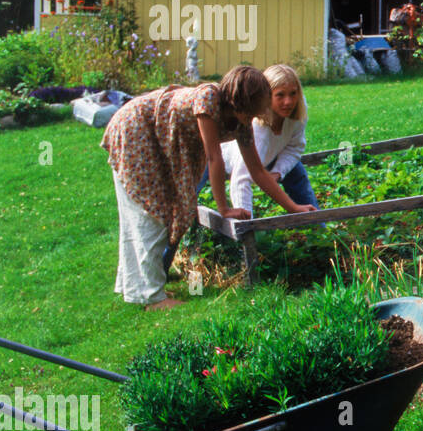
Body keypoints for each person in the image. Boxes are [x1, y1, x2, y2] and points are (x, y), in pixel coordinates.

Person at [102, 66, 317, 310]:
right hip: (137, 131)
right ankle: (151, 297)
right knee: (149, 213)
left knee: (161, 212)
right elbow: (214, 157)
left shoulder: (241, 120)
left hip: (162, 141)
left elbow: (258, 171)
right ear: (244, 101)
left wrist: (293, 206)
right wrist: (224, 210)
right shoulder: (209, 99)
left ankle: (138, 287)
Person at [218, 64, 319, 216]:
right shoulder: (256, 127)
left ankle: (317, 225)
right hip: (219, 158)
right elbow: (241, 179)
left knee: (298, 177)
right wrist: (247, 223)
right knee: (192, 193)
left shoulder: (297, 112)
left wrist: (278, 171)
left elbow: (295, 147)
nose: (288, 102)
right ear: (266, 96)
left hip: (272, 157)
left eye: (293, 93)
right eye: (280, 95)